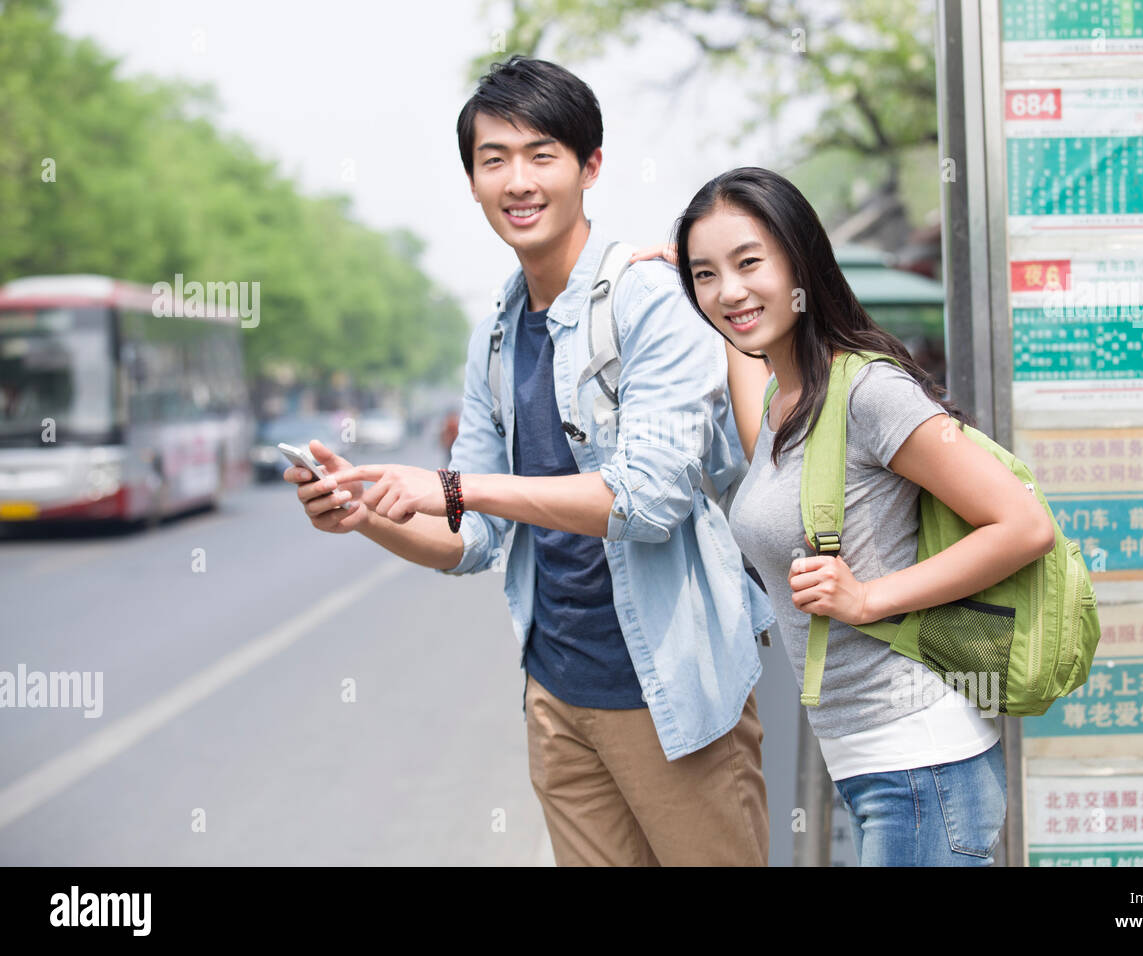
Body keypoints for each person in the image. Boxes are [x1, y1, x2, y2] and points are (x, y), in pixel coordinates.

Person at [283, 58, 772, 866]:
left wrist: (449, 485)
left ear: (590, 168)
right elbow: (471, 538)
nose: (518, 180)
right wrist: (366, 512)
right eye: (493, 159)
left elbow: (645, 502)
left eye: (542, 155)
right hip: (556, 697)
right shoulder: (497, 337)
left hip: (671, 696)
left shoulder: (652, 301)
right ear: (473, 181)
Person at [631, 166, 1055, 866]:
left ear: (800, 262)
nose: (728, 290)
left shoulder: (868, 392)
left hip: (922, 764)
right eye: (706, 275)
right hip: (874, 765)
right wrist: (690, 273)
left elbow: (1022, 525)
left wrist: (868, 597)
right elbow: (748, 399)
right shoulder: (780, 406)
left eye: (748, 263)